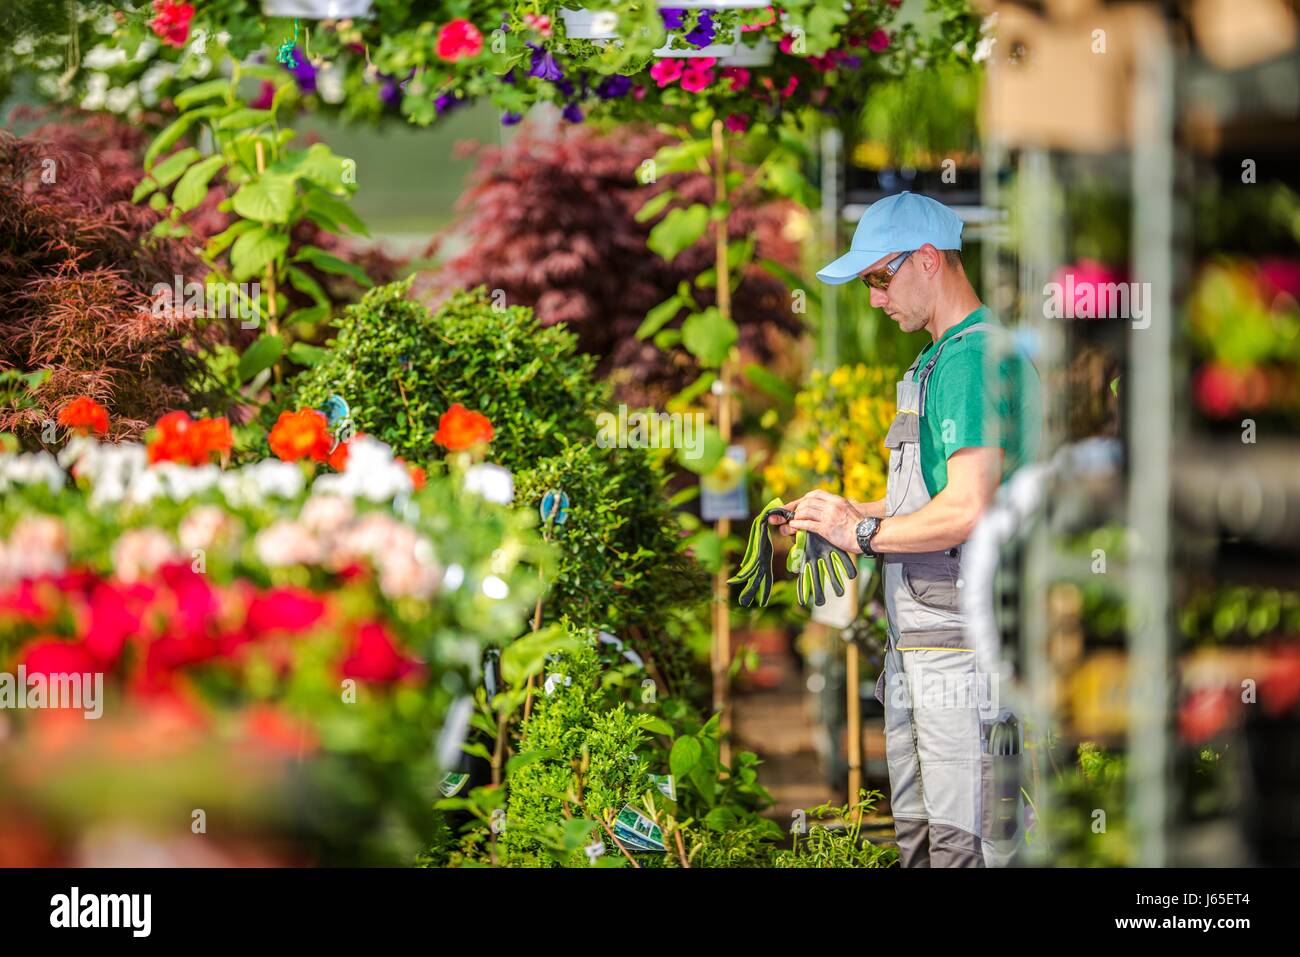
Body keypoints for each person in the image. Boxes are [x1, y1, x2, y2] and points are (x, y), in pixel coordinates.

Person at [774, 191, 1041, 867]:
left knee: (970, 846)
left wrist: (862, 537)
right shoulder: (938, 360)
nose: (873, 298)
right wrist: (847, 514)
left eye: (877, 277)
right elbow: (937, 500)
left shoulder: (971, 361)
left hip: (966, 657)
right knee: (929, 842)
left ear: (928, 259)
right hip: (930, 653)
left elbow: (969, 507)